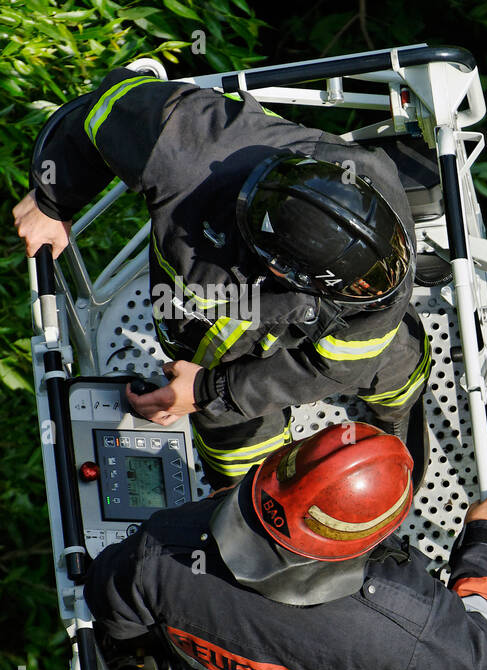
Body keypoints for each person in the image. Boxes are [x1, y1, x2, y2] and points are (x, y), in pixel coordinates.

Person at [13, 64, 434, 485]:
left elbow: (339, 365)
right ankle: (262, 490)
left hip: (311, 312)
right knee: (244, 458)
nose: (372, 290)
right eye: (360, 287)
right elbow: (108, 107)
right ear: (279, 268)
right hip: (210, 327)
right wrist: (53, 200)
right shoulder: (188, 148)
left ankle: (395, 414)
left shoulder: (376, 225)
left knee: (390, 355)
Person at [83, 421, 487, 670]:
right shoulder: (400, 617)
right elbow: (475, 658)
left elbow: (111, 609)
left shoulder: (166, 551)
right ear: (372, 539)